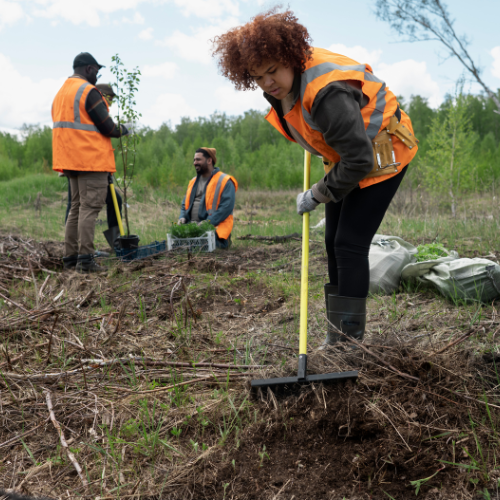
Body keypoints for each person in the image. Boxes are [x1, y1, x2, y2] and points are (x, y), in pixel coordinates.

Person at [212, 9, 418, 344]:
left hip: (383, 151)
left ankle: (348, 344)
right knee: (332, 241)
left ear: (289, 57)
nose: (267, 83)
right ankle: (337, 335)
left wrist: (318, 193)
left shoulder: (327, 93)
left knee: (349, 244)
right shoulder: (282, 87)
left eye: (272, 71)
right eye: (257, 77)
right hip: (349, 156)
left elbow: (359, 160)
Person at [52, 52, 129, 272]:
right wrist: (126, 129)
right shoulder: (88, 91)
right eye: (97, 70)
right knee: (89, 209)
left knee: (76, 208)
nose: (98, 75)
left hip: (70, 160)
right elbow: (109, 128)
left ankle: (71, 258)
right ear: (88, 69)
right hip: (90, 160)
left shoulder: (62, 92)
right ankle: (85, 259)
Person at [63, 83, 124, 254]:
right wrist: (123, 129)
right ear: (103, 95)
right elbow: (108, 129)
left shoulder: (89, 110)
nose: (111, 103)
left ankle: (113, 243)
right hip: (87, 166)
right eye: (110, 98)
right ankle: (82, 253)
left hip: (89, 165)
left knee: (108, 201)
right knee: (80, 206)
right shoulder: (93, 108)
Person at [178, 148, 238, 249]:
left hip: (214, 230)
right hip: (192, 228)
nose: (195, 163)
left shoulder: (224, 181)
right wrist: (182, 217)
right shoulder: (192, 182)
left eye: (198, 160)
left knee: (202, 246)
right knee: (175, 243)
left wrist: (207, 223)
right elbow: (185, 204)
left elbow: (226, 208)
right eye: (194, 160)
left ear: (209, 161)